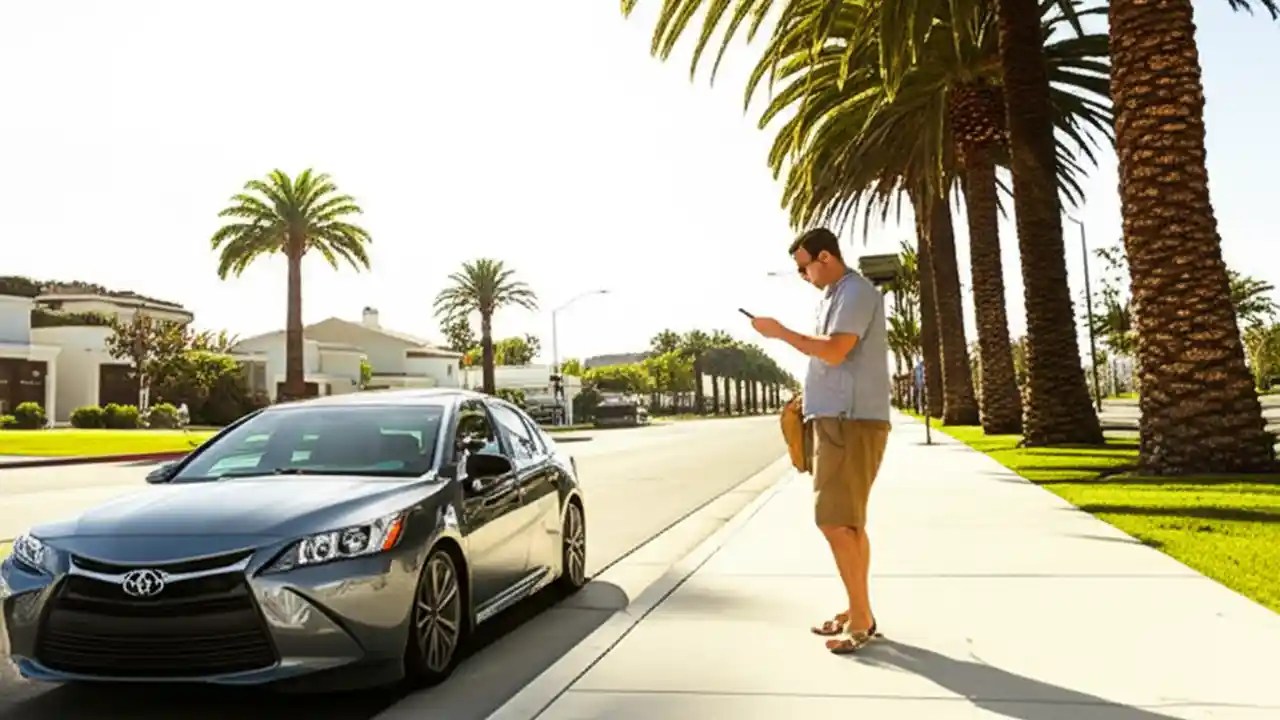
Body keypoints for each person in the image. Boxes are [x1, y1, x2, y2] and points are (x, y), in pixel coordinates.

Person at [750, 226, 892, 655]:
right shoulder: (834, 298)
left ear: (825, 258)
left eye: (803, 267)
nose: (803, 276)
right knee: (850, 523)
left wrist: (780, 333)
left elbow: (834, 350)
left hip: (849, 423)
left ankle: (862, 618)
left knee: (832, 521)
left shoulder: (856, 293)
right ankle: (857, 608)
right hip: (839, 420)